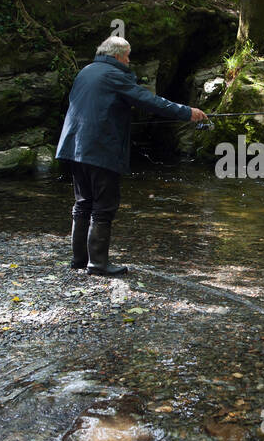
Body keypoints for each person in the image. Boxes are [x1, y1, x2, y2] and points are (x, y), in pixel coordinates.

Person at [55, 35, 207, 276]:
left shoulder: (86, 71)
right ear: (117, 55)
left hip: (74, 146)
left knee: (83, 203)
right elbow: (149, 100)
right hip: (100, 149)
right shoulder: (114, 75)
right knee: (104, 206)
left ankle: (79, 261)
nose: (128, 62)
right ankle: (98, 264)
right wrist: (187, 112)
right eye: (127, 57)